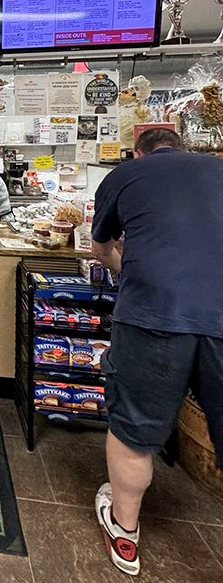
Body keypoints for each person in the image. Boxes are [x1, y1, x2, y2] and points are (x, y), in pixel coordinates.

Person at [91, 128, 223, 576]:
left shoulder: (126, 175)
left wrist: (129, 266)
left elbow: (101, 248)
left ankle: (125, 535)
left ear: (136, 152)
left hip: (153, 314)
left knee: (134, 431)